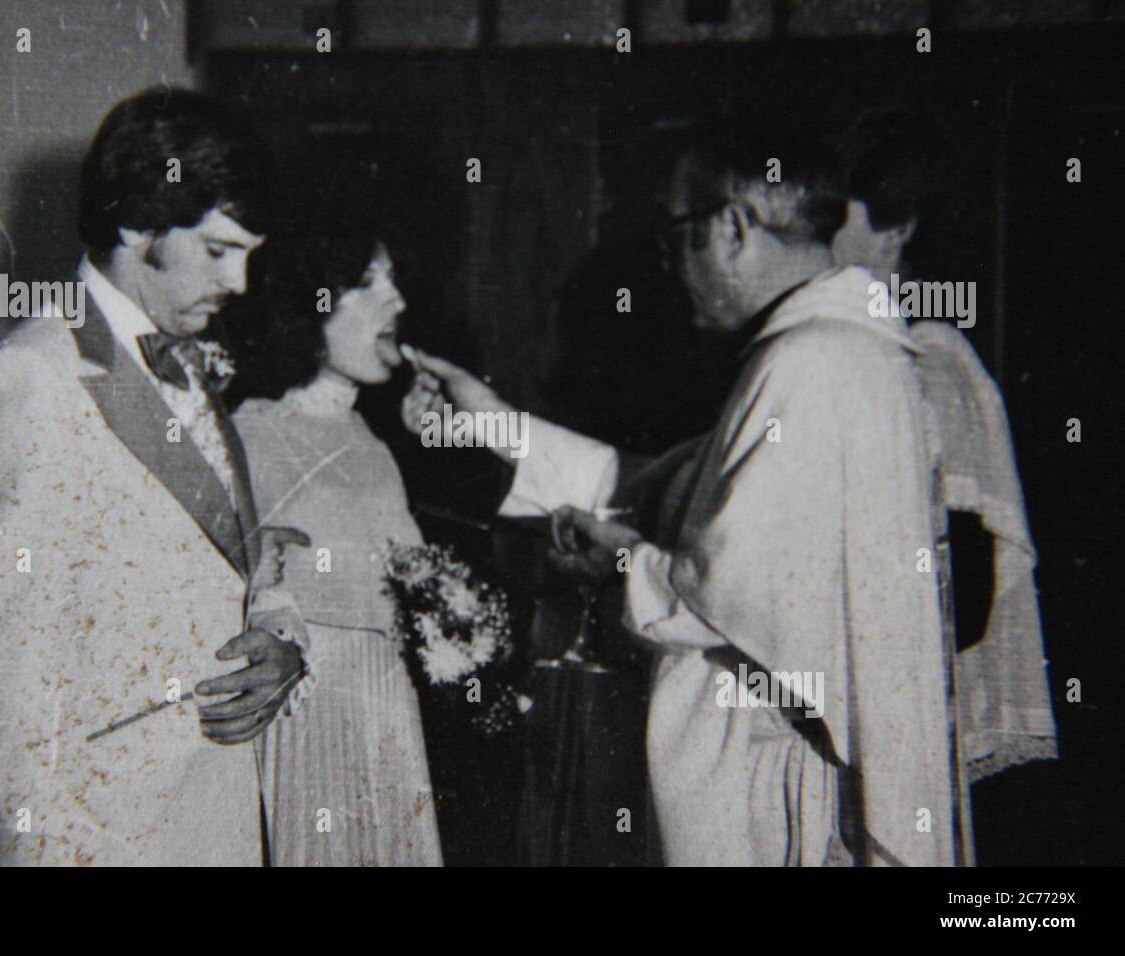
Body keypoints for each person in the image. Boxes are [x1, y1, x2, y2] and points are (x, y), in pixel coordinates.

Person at [406, 135, 967, 866]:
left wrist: (619, 567)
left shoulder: (811, 363)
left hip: (775, 778)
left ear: (732, 227)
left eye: (679, 235)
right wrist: (486, 419)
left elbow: (721, 593)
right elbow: (661, 491)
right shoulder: (838, 353)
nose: (670, 265)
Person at [0, 88, 307, 865]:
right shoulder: (32, 379)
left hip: (219, 817)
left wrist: (281, 640)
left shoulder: (191, 364)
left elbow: (239, 564)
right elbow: (2, 656)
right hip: (107, 837)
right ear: (137, 225)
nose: (241, 283)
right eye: (218, 251)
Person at [832, 129, 1058, 808]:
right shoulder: (867, 345)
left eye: (834, 218)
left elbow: (964, 579)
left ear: (895, 232)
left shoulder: (933, 359)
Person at [226, 223, 443, 866]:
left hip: (388, 727)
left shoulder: (375, 443)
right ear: (310, 301)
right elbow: (252, 594)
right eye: (367, 283)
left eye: (395, 279)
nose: (397, 300)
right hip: (312, 733)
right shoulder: (252, 433)